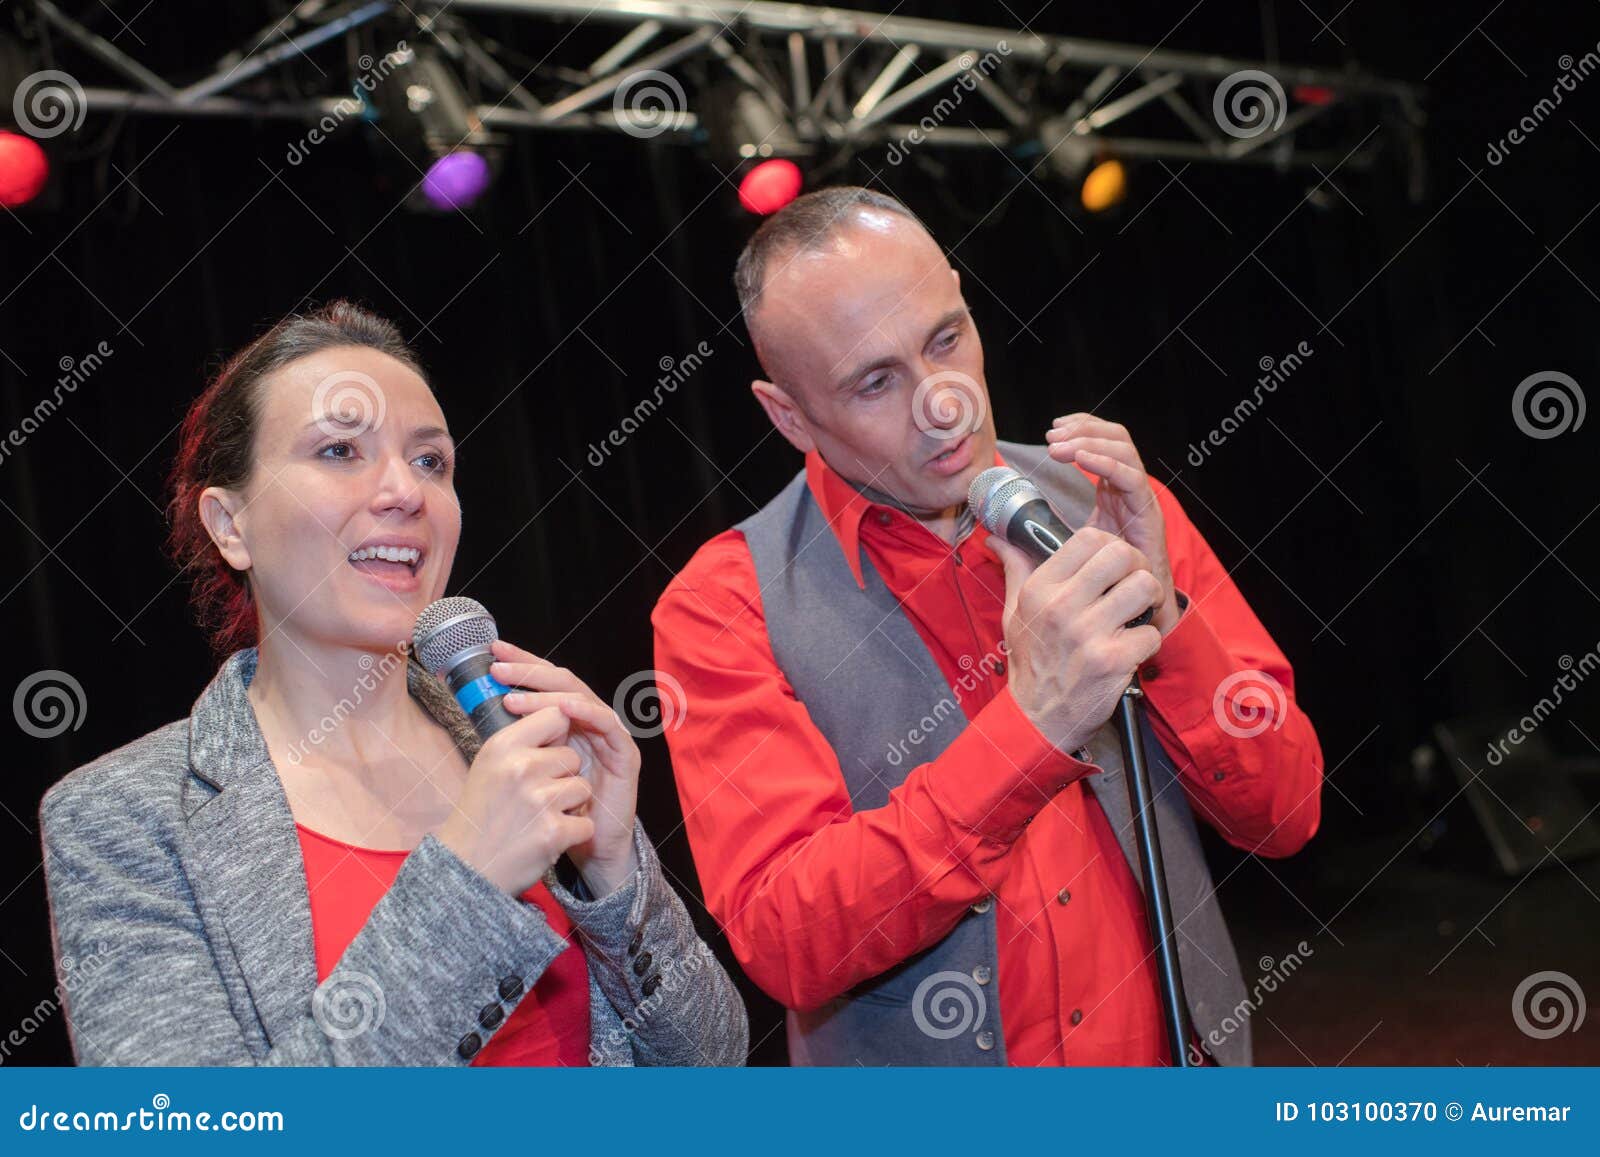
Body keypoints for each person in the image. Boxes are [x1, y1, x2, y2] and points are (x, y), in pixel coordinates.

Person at [651, 187, 1324, 1066]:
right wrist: (1033, 726)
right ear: (789, 416)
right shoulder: (723, 602)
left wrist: (1166, 619)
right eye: (876, 381)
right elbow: (788, 939)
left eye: (945, 340)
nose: (944, 405)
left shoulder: (1112, 507)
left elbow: (1287, 814)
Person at [38, 301, 747, 1067]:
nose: (405, 491)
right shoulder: (121, 817)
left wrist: (613, 875)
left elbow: (711, 1065)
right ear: (229, 525)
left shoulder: (515, 749)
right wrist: (468, 884)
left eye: (430, 461)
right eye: (341, 451)